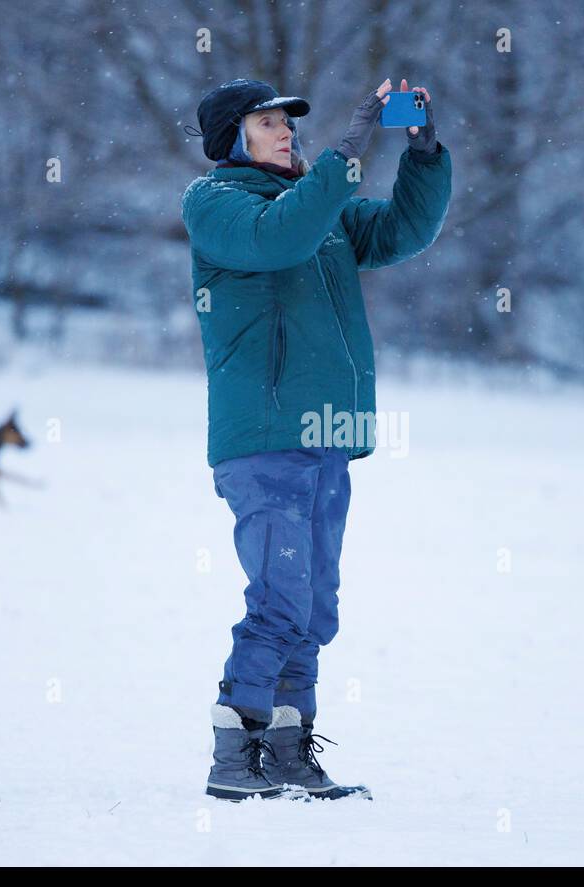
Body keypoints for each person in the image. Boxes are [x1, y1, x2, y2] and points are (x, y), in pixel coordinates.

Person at [180, 78, 452, 799]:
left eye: (286, 123)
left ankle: (292, 748)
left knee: (314, 604)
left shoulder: (319, 210)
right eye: (267, 123)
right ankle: (234, 754)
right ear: (231, 140)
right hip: (264, 435)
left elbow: (401, 231)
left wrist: (421, 152)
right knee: (279, 595)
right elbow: (282, 237)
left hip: (326, 436)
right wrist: (346, 150)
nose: (284, 133)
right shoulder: (218, 205)